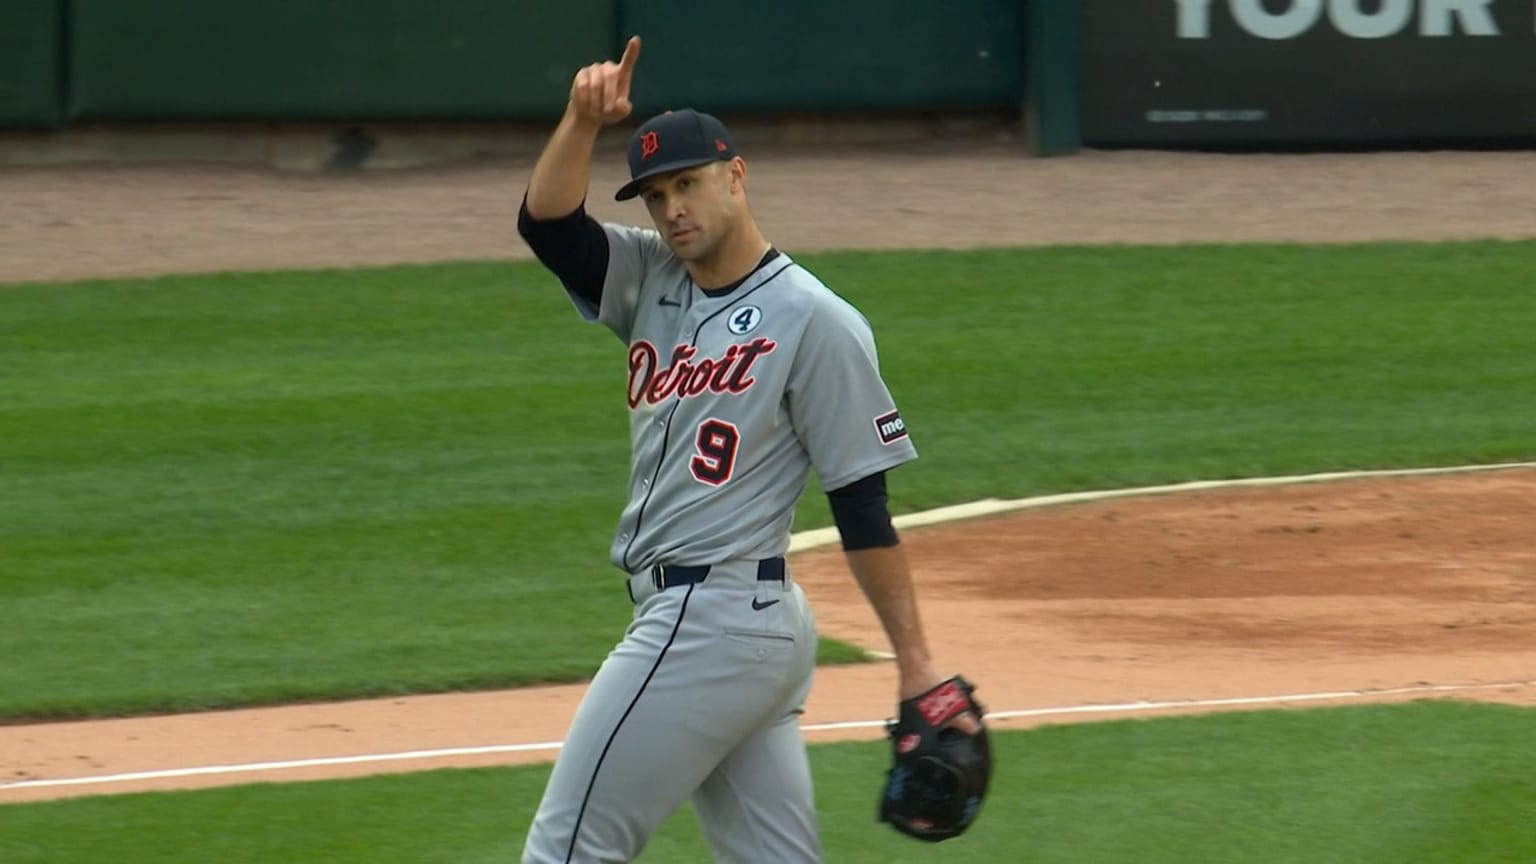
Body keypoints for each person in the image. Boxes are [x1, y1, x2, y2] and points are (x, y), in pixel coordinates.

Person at [515, 36, 980, 863]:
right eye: (656, 196)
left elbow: (862, 509)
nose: (672, 210)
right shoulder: (651, 276)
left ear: (736, 175)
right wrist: (582, 120)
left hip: (709, 624)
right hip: (750, 634)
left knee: (567, 850)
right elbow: (547, 225)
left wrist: (915, 666)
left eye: (687, 184)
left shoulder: (817, 320)